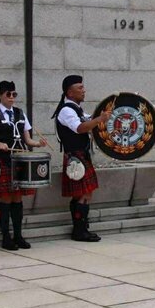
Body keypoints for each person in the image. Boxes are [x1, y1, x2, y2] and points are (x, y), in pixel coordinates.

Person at [0, 80, 47, 250]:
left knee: (18, 198)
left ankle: (18, 235)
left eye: (14, 94)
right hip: (3, 159)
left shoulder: (20, 113)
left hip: (19, 159)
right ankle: (6, 237)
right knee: (6, 198)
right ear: (0, 95)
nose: (11, 98)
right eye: (8, 94)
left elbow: (27, 139)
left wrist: (38, 144)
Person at [53, 74, 110, 242]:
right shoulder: (66, 110)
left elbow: (89, 123)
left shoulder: (77, 109)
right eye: (80, 88)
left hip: (81, 155)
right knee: (83, 194)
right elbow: (79, 128)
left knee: (83, 194)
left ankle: (82, 227)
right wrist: (99, 119)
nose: (84, 90)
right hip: (75, 157)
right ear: (69, 93)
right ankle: (79, 231)